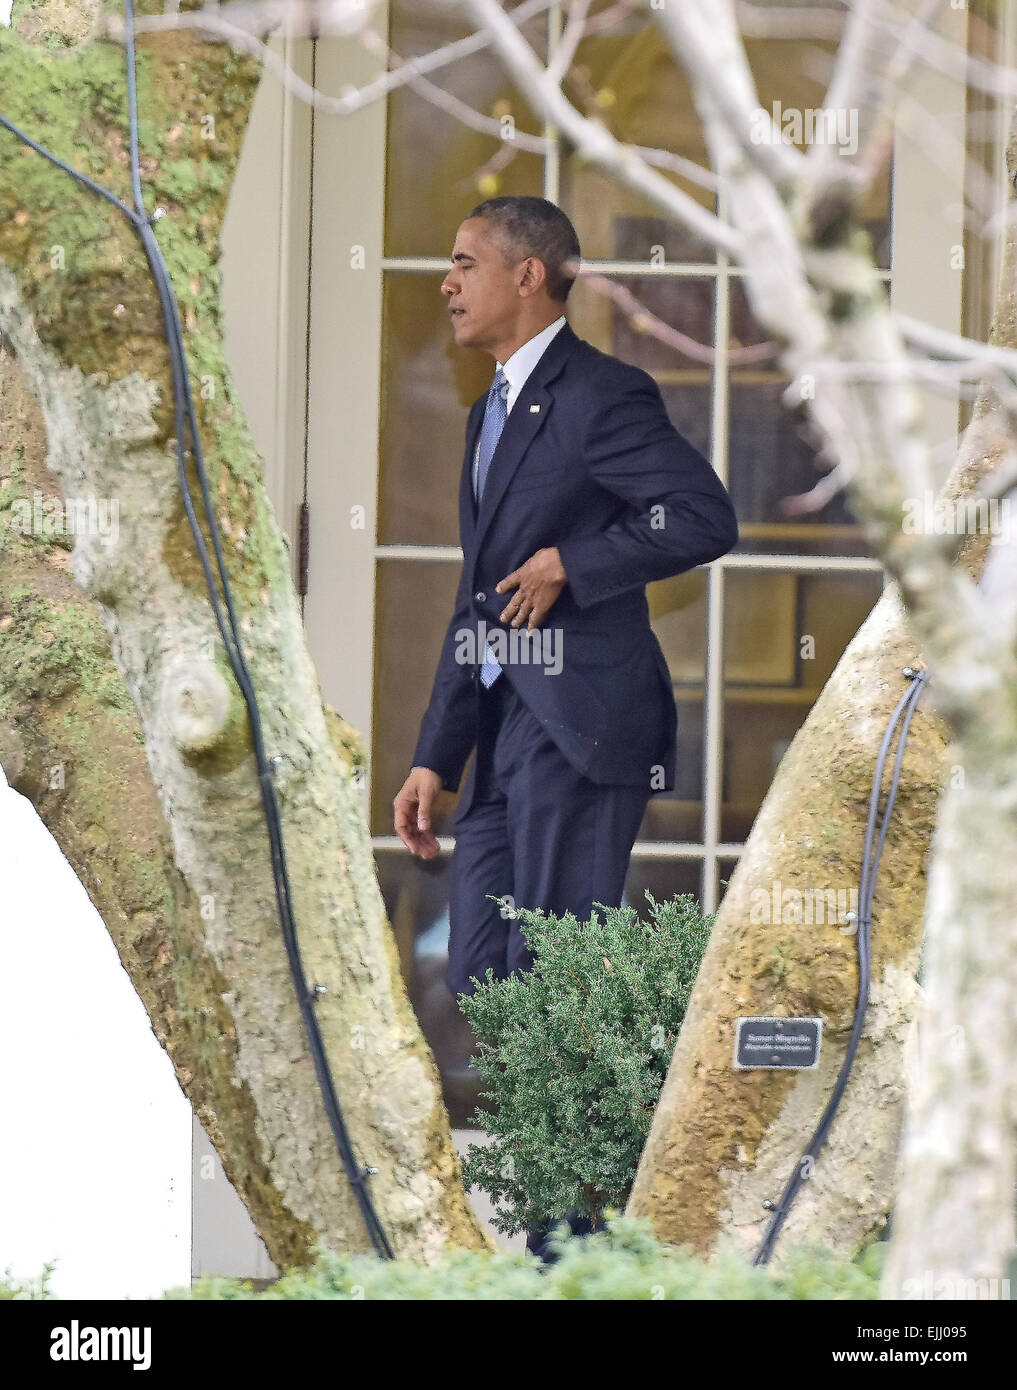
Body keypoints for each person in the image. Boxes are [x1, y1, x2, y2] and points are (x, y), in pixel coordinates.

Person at [393, 196, 738, 1258]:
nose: (445, 283)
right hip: (503, 733)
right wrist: (433, 754)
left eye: (463, 264)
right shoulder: (483, 411)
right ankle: (574, 1197)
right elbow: (473, 598)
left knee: (558, 977)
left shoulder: (603, 396)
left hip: (584, 726)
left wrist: (570, 565)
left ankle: (571, 1238)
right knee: (485, 969)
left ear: (530, 276)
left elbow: (700, 515)